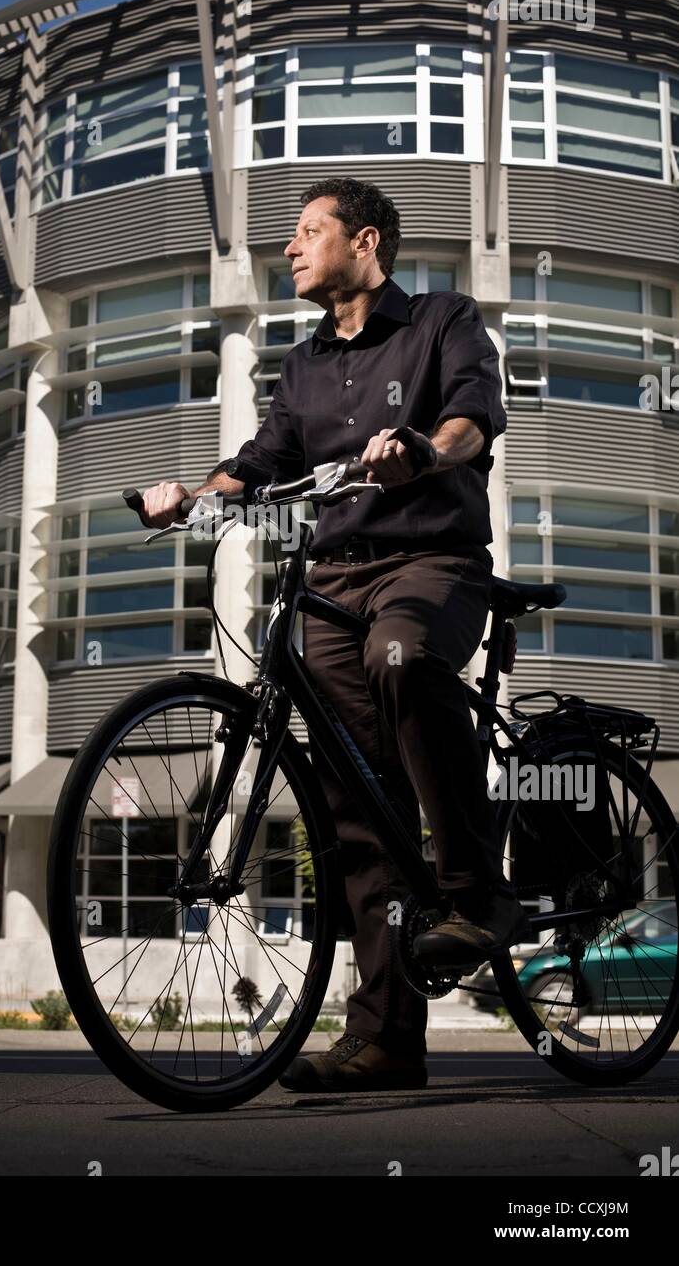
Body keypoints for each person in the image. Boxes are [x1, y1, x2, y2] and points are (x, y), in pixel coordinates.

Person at [138, 176, 529, 1093]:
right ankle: (389, 1038)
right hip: (334, 583)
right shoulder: (305, 366)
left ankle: (476, 889)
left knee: (403, 653)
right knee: (355, 812)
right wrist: (189, 499)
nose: (290, 247)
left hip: (432, 565)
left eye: (310, 231)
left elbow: (475, 418)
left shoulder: (444, 319)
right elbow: (261, 462)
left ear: (367, 243)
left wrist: (426, 448)